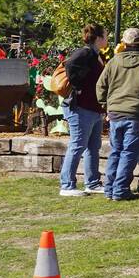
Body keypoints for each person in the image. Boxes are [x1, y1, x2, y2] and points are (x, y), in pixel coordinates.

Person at [97, 27, 139, 201]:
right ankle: (120, 190)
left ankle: (110, 189)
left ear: (124, 43)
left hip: (115, 114)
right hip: (137, 114)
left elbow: (100, 86)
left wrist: (106, 106)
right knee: (128, 153)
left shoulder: (114, 62)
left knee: (116, 152)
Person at [59, 23, 107, 197]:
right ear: (99, 38)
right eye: (106, 36)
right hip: (80, 108)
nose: (107, 39)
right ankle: (67, 185)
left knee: (93, 147)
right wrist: (77, 86)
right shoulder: (85, 52)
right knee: (77, 145)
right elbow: (70, 65)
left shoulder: (96, 55)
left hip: (93, 108)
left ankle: (92, 183)